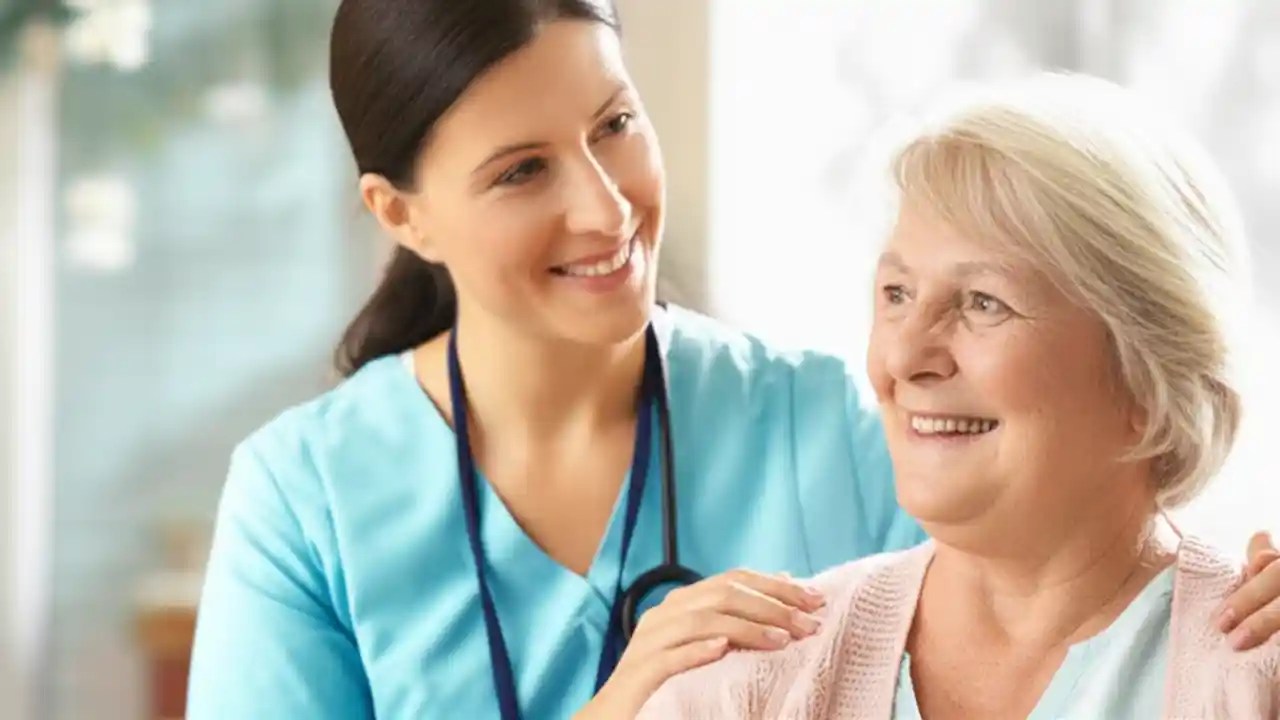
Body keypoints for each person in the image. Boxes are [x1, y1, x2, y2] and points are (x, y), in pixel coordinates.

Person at [184, 3, 1280, 718]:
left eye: (614, 123)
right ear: (399, 214)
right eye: (521, 171)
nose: (604, 207)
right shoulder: (307, 498)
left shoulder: (832, 420)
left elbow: (1091, 549)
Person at [638, 73, 1280, 719]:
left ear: (1148, 371)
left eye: (983, 303)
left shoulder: (1257, 675)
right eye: (897, 295)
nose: (904, 358)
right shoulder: (746, 680)